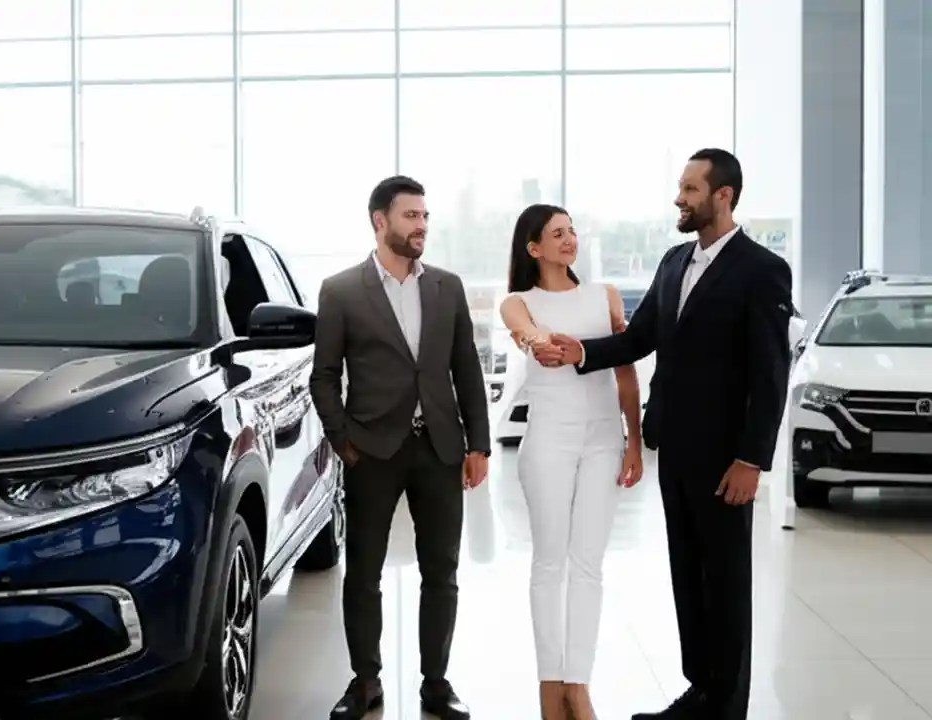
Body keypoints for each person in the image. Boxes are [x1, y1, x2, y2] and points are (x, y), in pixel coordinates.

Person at [534, 148, 793, 720]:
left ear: (723, 195)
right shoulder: (675, 261)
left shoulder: (761, 270)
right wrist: (582, 353)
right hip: (674, 450)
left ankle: (726, 705)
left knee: (725, 583)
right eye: (680, 187)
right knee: (689, 579)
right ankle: (700, 690)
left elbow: (771, 374)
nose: (680, 198)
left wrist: (751, 459)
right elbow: (640, 337)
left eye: (690, 189)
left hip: (727, 460)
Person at [309, 175, 490, 720]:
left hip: (439, 447)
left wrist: (478, 443)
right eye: (412, 216)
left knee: (443, 571)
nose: (422, 227)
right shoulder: (340, 290)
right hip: (372, 450)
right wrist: (342, 439)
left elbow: (466, 368)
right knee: (363, 574)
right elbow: (324, 375)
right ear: (379, 221)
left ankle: (436, 683)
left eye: (426, 217)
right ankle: (365, 682)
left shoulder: (447, 287)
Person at [497, 204, 644, 720]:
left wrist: (633, 439)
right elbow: (523, 331)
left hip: (604, 438)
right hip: (549, 443)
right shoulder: (518, 301)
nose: (569, 239)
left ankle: (578, 684)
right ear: (533, 248)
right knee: (549, 563)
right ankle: (549, 683)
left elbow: (624, 366)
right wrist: (541, 342)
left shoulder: (602, 296)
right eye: (557, 234)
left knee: (588, 565)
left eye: (572, 230)